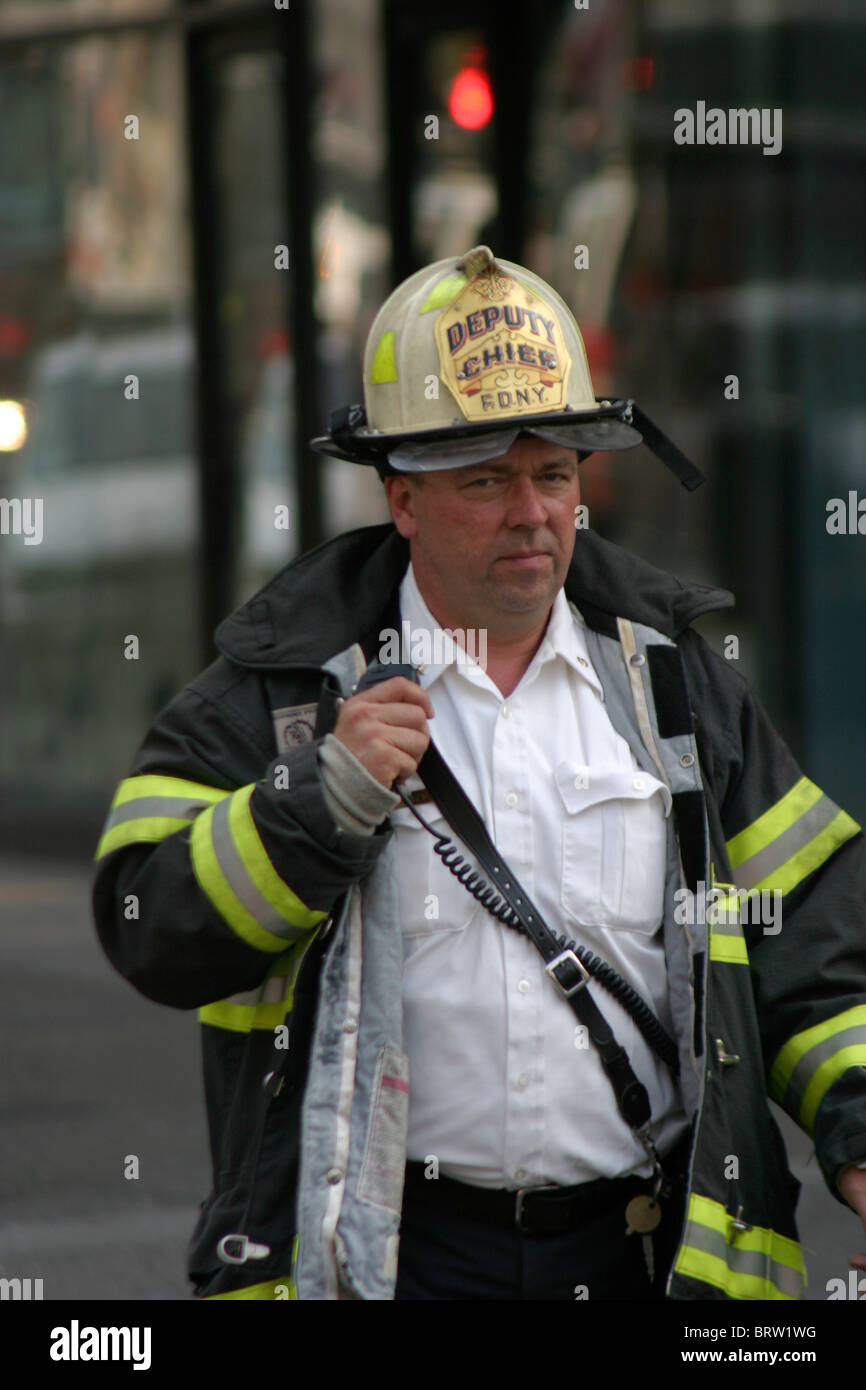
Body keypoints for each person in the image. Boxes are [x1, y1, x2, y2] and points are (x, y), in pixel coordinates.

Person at [92, 246, 866, 1301]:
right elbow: (145, 919)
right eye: (485, 479)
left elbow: (810, 945)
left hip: (637, 1252)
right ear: (399, 498)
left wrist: (859, 1136)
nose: (531, 511)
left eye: (553, 475)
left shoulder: (674, 685)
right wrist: (314, 803)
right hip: (391, 1257)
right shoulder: (277, 693)